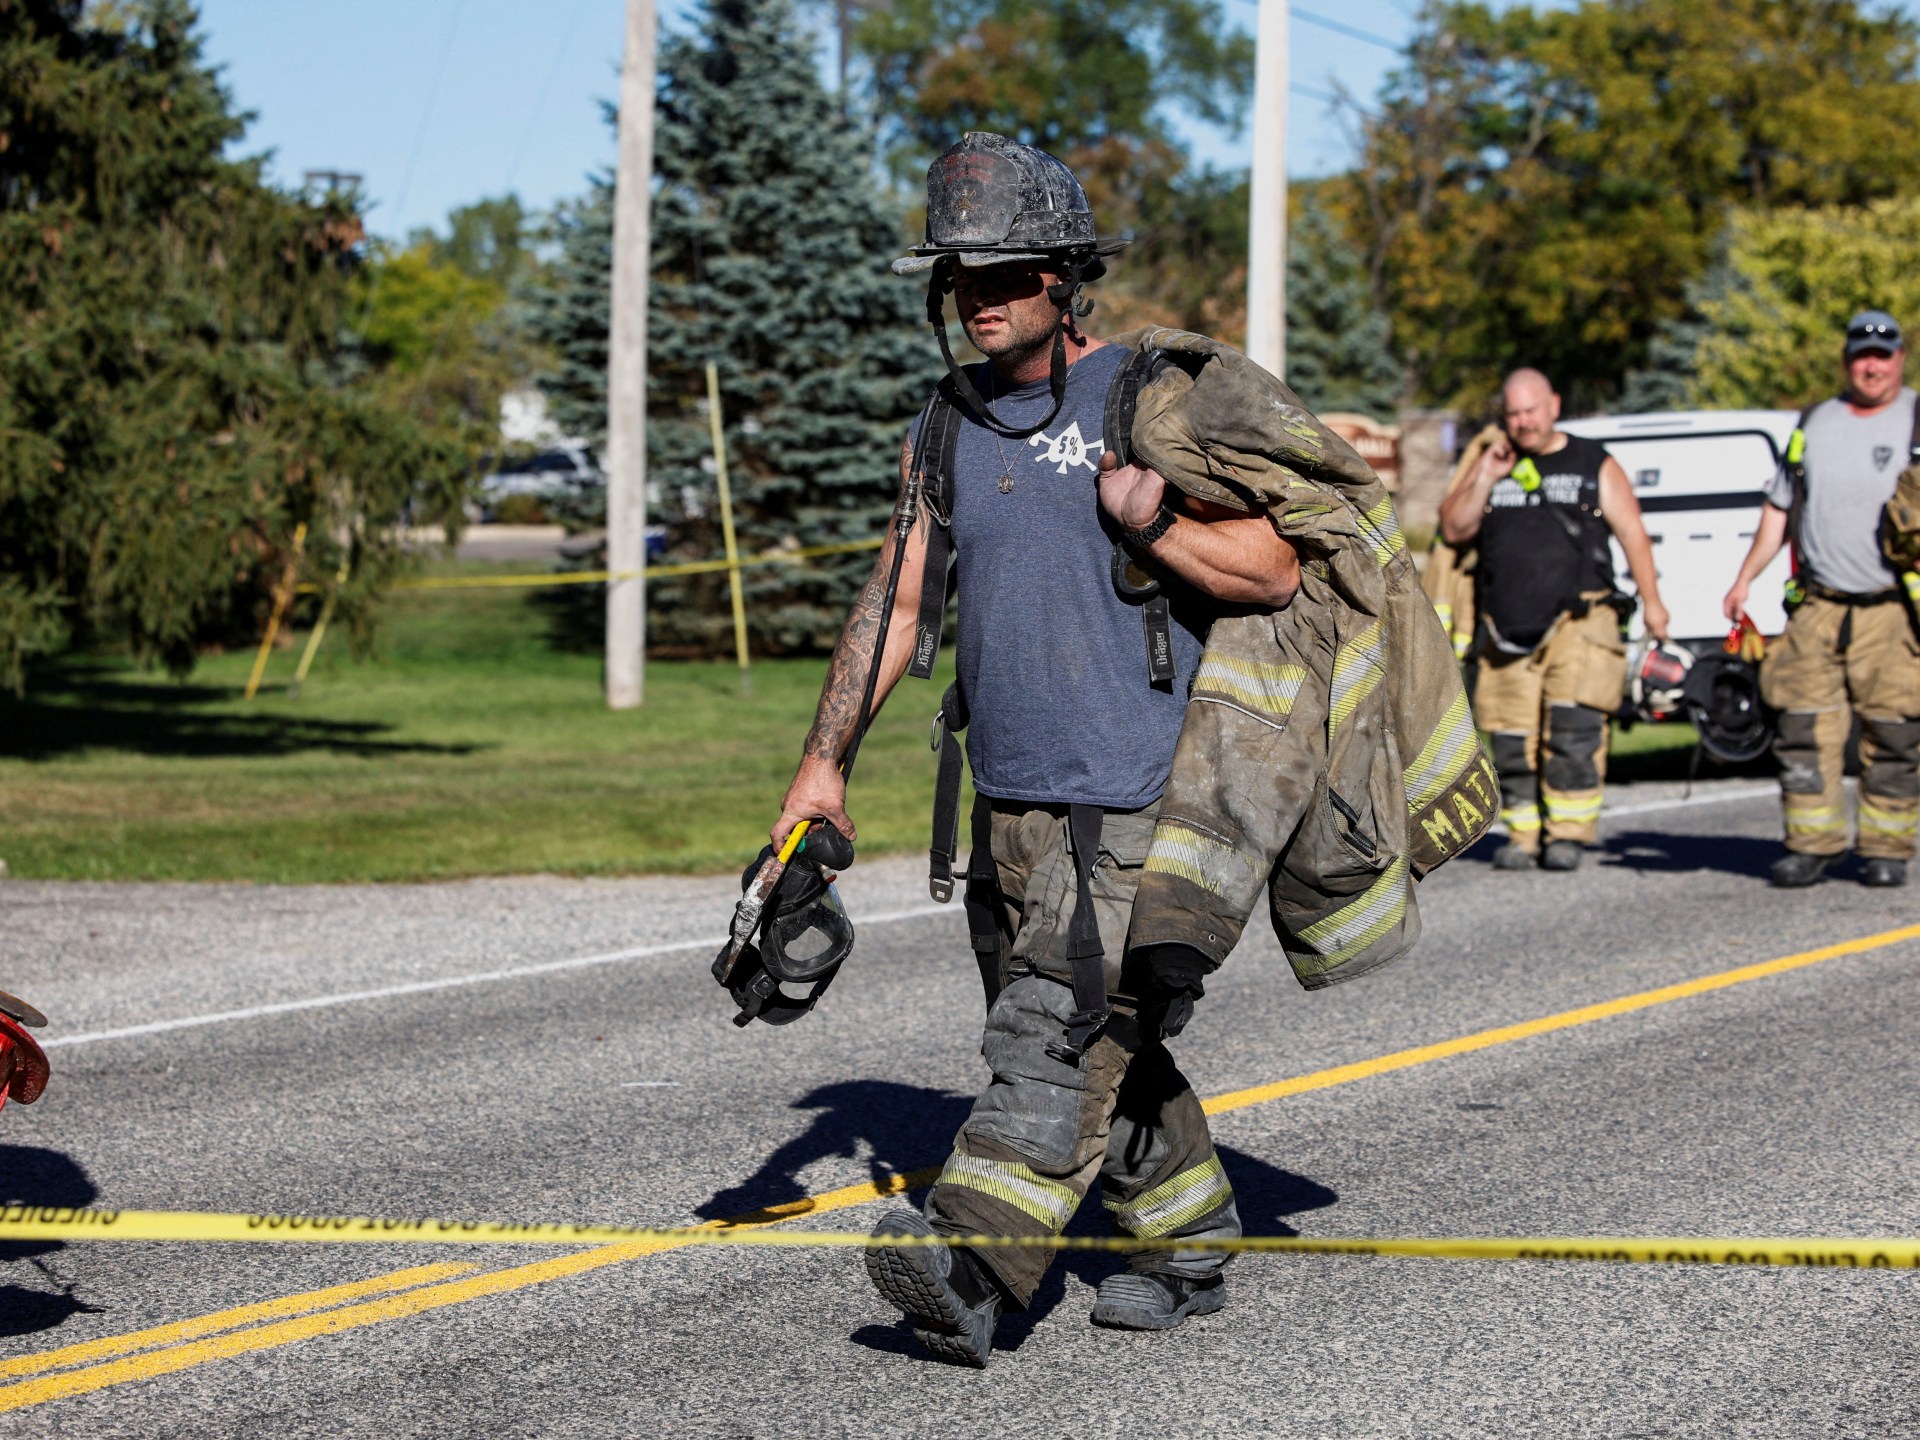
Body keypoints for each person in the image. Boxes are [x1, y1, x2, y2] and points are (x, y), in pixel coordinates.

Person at [770, 132, 1298, 1367]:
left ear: (1066, 275)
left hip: (1137, 801)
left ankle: (967, 1270)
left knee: (1050, 1039)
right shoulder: (943, 427)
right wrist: (823, 765)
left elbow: (1271, 569)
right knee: (1103, 1043)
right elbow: (897, 606)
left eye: (1005, 269)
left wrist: (1155, 513)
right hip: (1005, 802)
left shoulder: (1143, 400)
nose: (979, 294)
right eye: (959, 275)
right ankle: (1188, 1241)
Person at [1438, 368, 1670, 872]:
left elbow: (1632, 532)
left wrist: (1653, 603)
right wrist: (1484, 473)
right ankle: (1523, 835)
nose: (1523, 422)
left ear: (1554, 406)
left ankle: (1568, 833)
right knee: (1511, 737)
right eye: (1513, 413)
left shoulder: (1593, 462)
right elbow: (1454, 529)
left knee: (1574, 726)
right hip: (1505, 627)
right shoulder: (1491, 463)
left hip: (1580, 621)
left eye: (1531, 410)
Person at [1722, 310, 1920, 888]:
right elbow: (1779, 510)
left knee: (1895, 733)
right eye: (1862, 354)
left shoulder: (1916, 418)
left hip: (1892, 610)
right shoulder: (1815, 422)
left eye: (1883, 355)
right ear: (1847, 361)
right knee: (1803, 730)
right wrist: (1744, 579)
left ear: (1900, 359)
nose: (1872, 365)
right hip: (1817, 607)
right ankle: (1812, 844)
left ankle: (1887, 849)